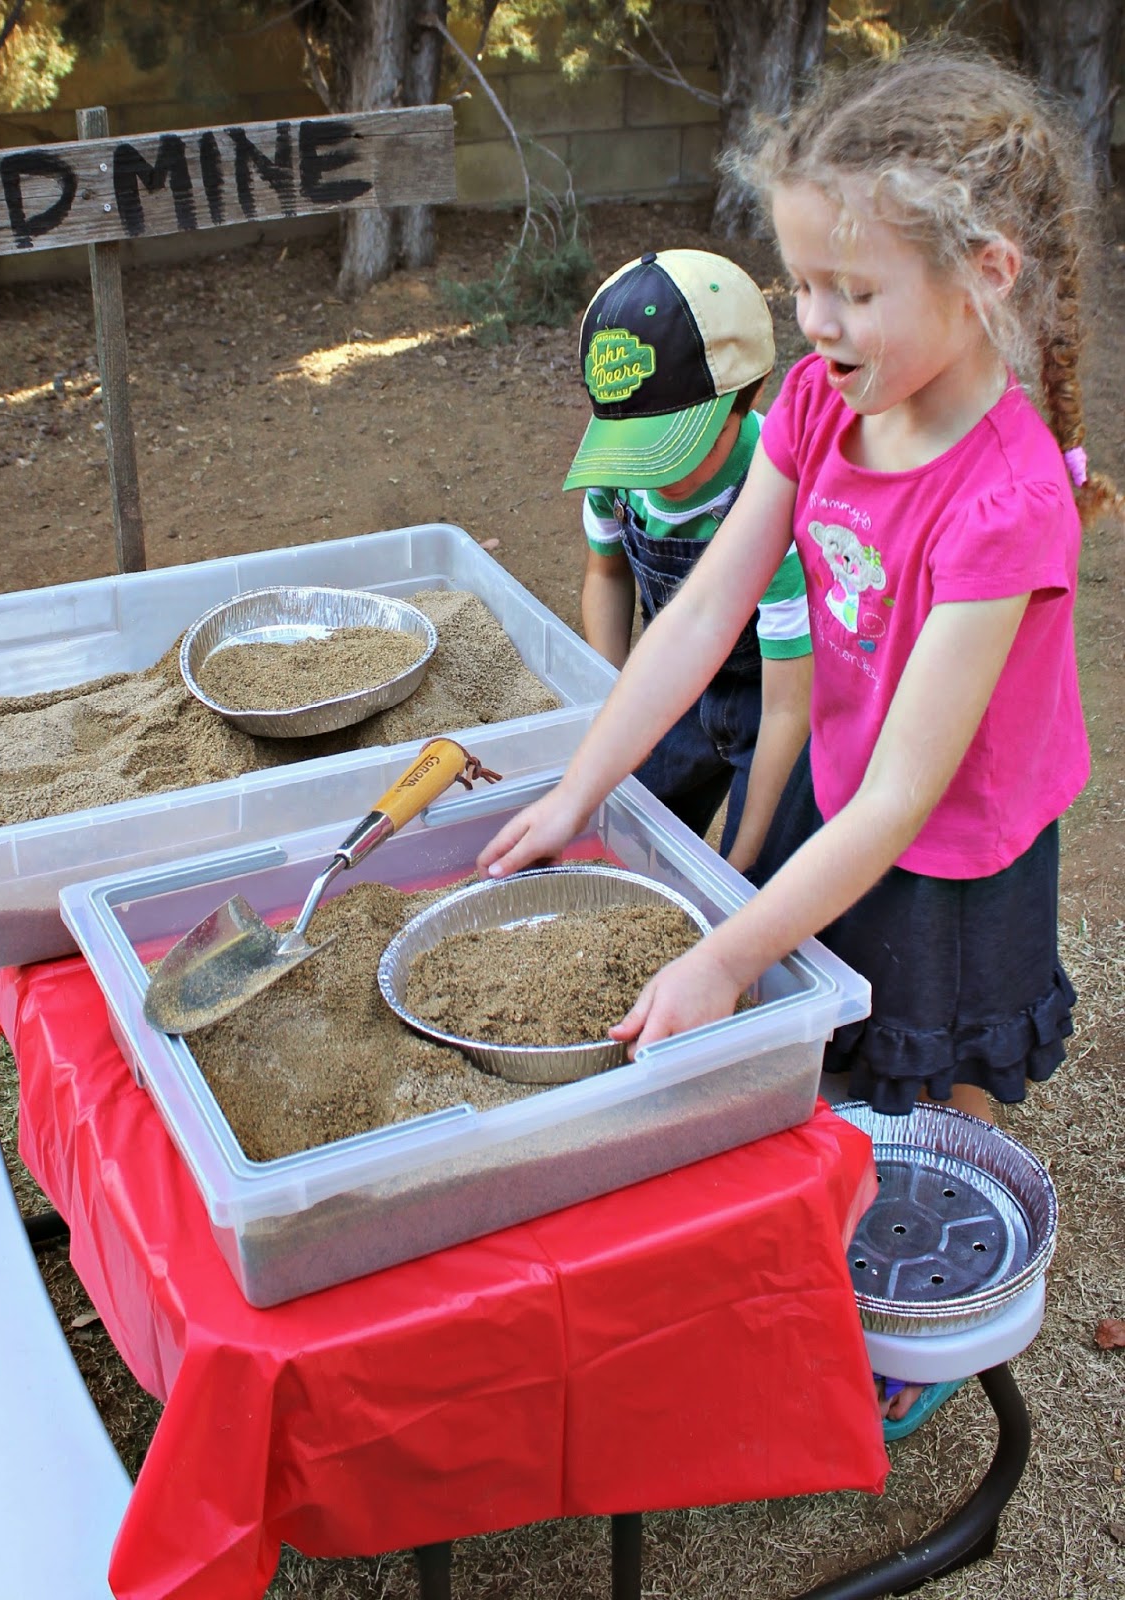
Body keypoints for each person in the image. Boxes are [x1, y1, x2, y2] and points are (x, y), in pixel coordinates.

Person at [478, 44, 1118, 1436]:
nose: (816, 322)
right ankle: (835, 1247)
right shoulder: (825, 402)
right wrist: (578, 789)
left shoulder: (1005, 501)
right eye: (801, 285)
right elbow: (702, 611)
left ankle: (926, 1321)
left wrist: (722, 954)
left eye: (855, 291)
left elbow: (905, 801)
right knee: (839, 1050)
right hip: (851, 786)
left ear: (986, 275)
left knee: (935, 1076)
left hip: (952, 848)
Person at [570, 250, 812, 874]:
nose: (651, 471)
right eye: (636, 445)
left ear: (750, 392)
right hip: (675, 676)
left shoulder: (780, 504)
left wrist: (741, 863)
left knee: (766, 862)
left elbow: (790, 709)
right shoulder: (616, 471)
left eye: (676, 445)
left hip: (774, 695)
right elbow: (605, 573)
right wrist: (613, 698)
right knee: (628, 834)